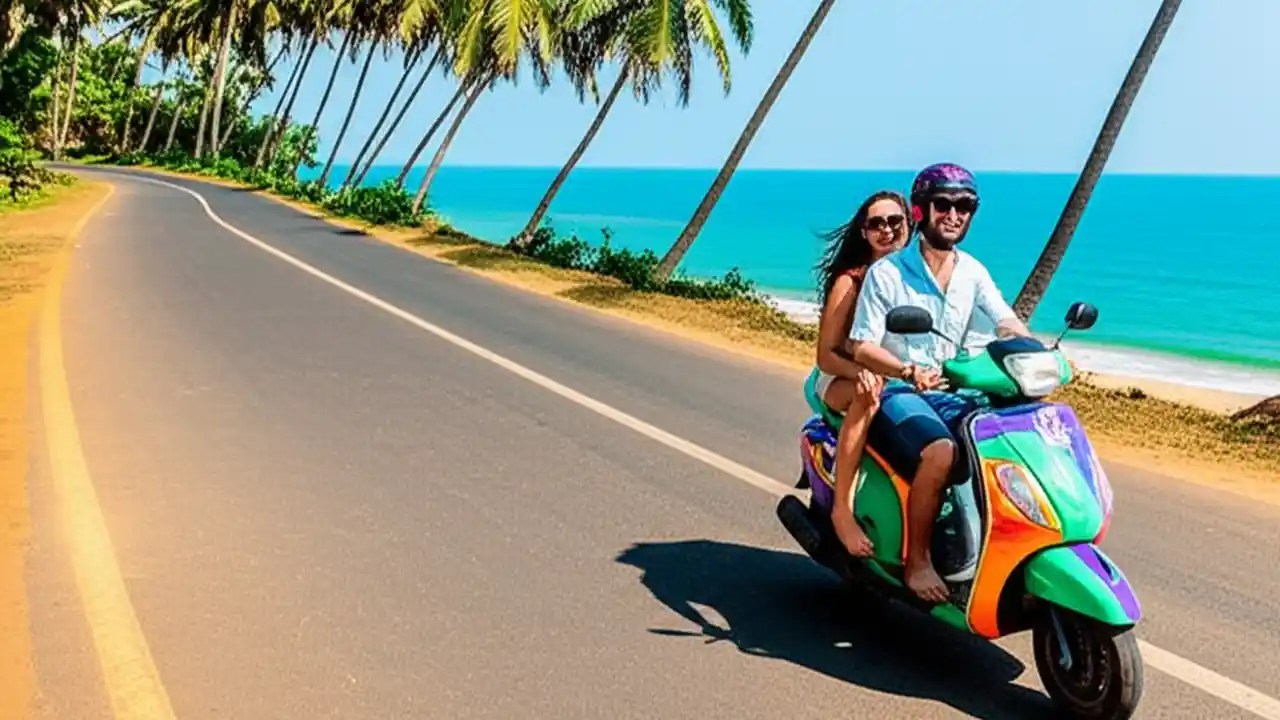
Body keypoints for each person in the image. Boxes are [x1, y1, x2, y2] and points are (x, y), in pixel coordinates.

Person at [848, 162, 1031, 603]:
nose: (954, 214)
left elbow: (1003, 317)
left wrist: (1032, 345)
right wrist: (906, 371)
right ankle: (919, 562)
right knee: (941, 451)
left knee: (1011, 440)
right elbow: (861, 346)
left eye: (965, 206)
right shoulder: (889, 273)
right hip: (901, 391)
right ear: (920, 210)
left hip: (954, 391)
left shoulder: (973, 271)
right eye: (944, 204)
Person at [809, 191, 910, 559]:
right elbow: (826, 355)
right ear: (864, 233)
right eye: (876, 224)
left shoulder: (917, 278)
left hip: (898, 377)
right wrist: (862, 372)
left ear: (909, 226)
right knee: (868, 395)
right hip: (841, 377)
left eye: (895, 222)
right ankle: (843, 511)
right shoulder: (851, 282)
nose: (887, 231)